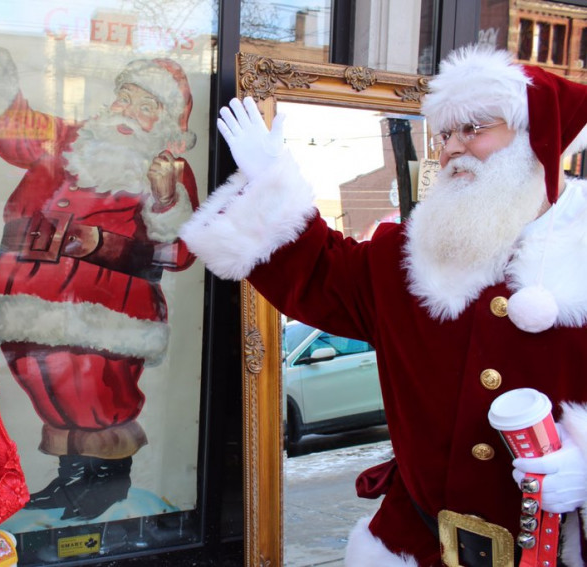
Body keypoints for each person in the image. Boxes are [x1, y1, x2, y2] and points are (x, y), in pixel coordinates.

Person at [180, 44, 587, 565]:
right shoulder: (409, 259)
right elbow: (318, 273)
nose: (453, 149)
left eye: (474, 129)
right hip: (414, 548)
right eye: (444, 134)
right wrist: (269, 181)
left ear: (537, 139)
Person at [0, 30, 200, 520]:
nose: (129, 110)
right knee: (42, 380)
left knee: (97, 390)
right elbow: (15, 127)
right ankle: (71, 481)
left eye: (147, 104)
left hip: (108, 303)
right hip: (25, 289)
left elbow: (180, 251)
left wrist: (162, 200)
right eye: (126, 97)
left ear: (168, 123)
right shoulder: (70, 139)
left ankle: (104, 486)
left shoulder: (168, 169)